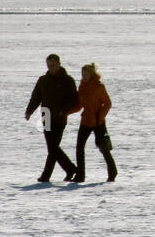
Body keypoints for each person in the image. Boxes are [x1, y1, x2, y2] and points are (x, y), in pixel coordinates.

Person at [24, 53, 79, 182]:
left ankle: (46, 176)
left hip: (60, 118)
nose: (51, 68)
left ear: (59, 64)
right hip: (46, 116)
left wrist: (63, 111)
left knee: (53, 148)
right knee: (52, 148)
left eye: (53, 65)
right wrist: (29, 111)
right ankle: (71, 169)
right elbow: (36, 97)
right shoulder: (43, 80)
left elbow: (74, 100)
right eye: (48, 65)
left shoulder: (68, 80)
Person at [70, 62, 117, 183]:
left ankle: (112, 172)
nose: (83, 76)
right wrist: (65, 112)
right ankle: (80, 176)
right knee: (79, 147)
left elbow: (107, 103)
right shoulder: (82, 86)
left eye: (86, 74)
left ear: (92, 74)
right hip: (85, 120)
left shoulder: (99, 86)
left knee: (103, 148)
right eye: (82, 74)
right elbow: (79, 105)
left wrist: (100, 117)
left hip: (98, 122)